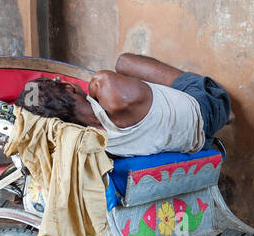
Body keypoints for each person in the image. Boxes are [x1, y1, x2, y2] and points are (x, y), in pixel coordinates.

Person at [15, 53, 231, 158]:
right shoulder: (104, 85)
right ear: (70, 89)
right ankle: (225, 112)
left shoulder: (87, 143)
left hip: (197, 143)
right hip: (211, 105)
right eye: (59, 84)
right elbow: (108, 85)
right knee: (124, 63)